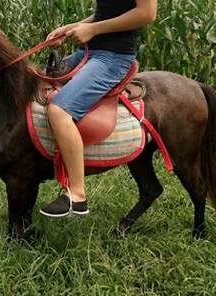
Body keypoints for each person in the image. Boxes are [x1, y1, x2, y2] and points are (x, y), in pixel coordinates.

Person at [39, 0, 158, 218]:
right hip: (88, 52)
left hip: (112, 59)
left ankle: (77, 195)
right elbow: (107, 13)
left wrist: (92, 29)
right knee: (38, 84)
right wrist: (70, 29)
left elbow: (147, 14)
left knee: (59, 110)